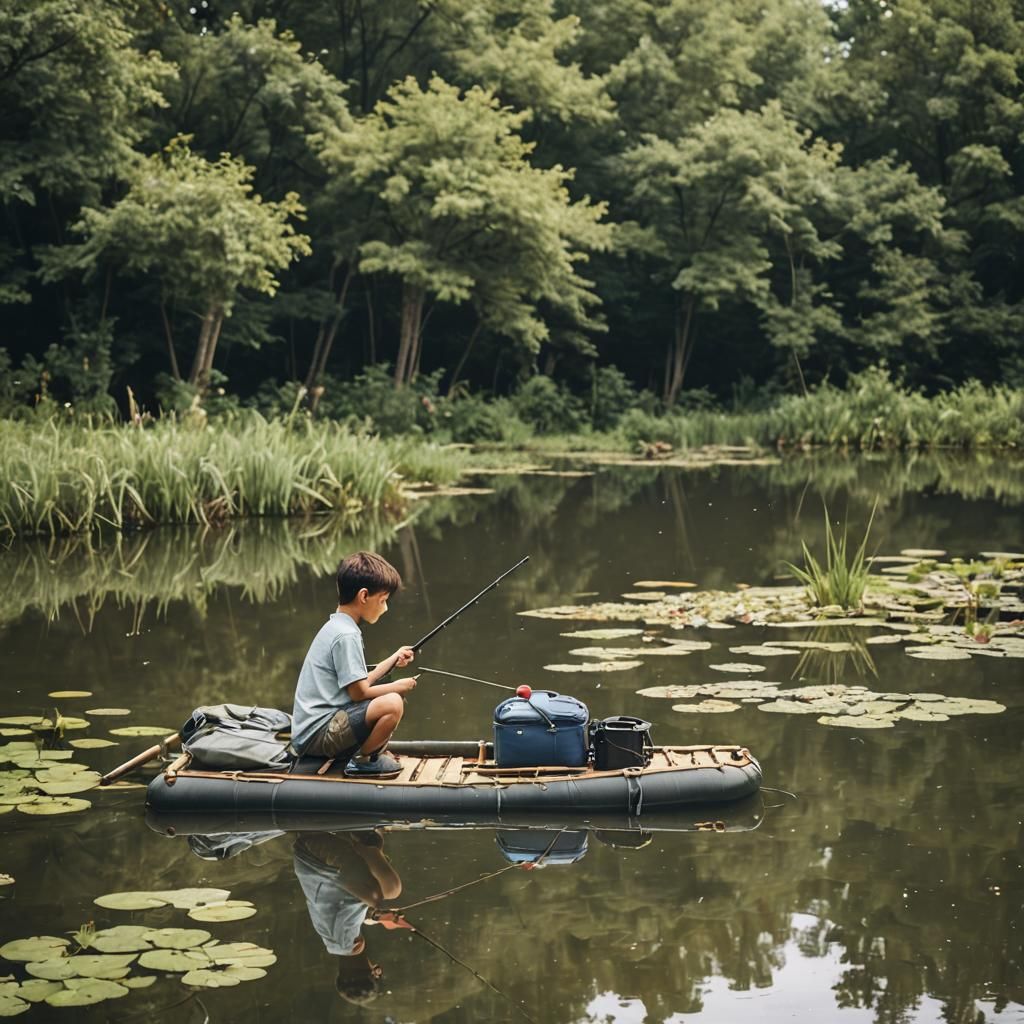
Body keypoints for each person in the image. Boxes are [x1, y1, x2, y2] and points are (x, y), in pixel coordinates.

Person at [292, 551, 417, 777]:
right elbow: (360, 694)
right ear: (363, 595)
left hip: (314, 731)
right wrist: (399, 686)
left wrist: (393, 659)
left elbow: (359, 683)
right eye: (383, 600)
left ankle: (367, 754)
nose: (385, 608)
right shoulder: (346, 636)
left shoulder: (338, 626)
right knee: (393, 703)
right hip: (317, 735)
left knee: (388, 697)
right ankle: (363, 761)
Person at [293, 829, 403, 1006]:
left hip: (318, 854)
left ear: (375, 972)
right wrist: (374, 916)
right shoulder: (332, 943)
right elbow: (342, 905)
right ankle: (365, 844)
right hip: (306, 854)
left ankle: (366, 845)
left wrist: (380, 908)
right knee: (375, 891)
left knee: (390, 889)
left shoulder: (349, 944)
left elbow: (353, 903)